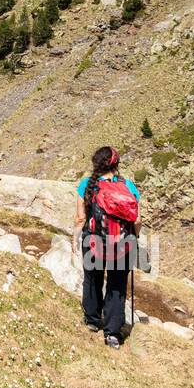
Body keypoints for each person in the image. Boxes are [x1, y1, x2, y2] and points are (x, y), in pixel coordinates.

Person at [74, 146, 140, 348]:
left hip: (94, 242)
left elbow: (80, 218)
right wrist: (133, 239)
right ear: (116, 164)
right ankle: (112, 333)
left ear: (96, 163)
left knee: (92, 278)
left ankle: (93, 320)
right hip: (122, 244)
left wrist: (75, 241)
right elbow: (137, 220)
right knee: (117, 286)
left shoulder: (87, 184)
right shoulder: (128, 186)